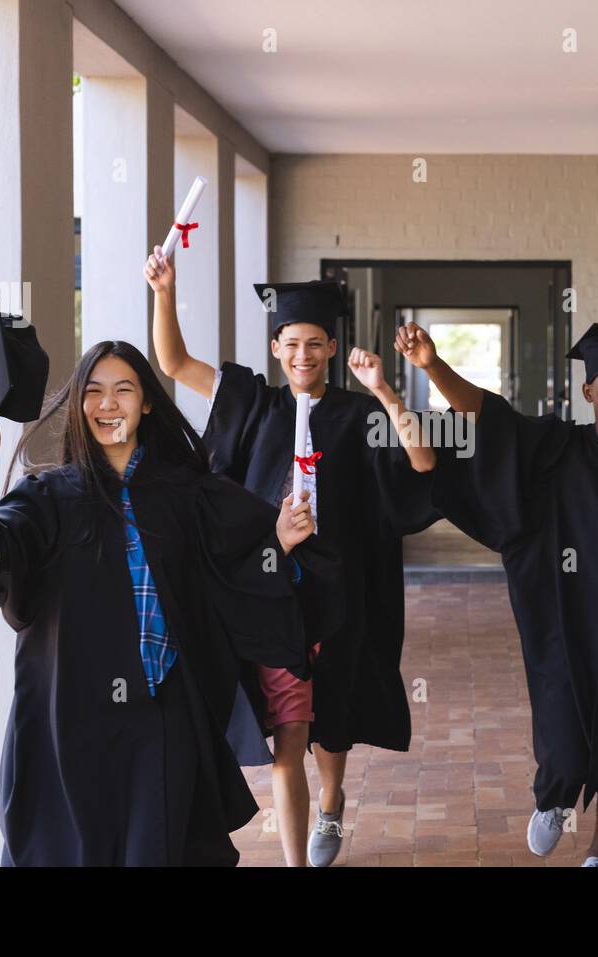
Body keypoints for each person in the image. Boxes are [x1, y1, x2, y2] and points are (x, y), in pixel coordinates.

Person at [0, 340, 338, 866]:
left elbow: (239, 569)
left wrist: (278, 541)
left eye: (124, 390)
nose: (107, 404)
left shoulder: (188, 494)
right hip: (68, 718)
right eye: (93, 392)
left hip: (163, 715)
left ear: (146, 403)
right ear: (77, 406)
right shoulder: (47, 498)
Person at [147, 253, 438, 867]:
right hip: (269, 588)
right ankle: (295, 862)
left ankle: (331, 800)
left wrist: (384, 389)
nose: (302, 354)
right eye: (291, 343)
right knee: (288, 730)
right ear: (276, 347)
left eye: (314, 343)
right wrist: (165, 291)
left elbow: (421, 462)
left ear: (332, 347)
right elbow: (172, 363)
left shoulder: (358, 414)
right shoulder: (253, 402)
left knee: (331, 718)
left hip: (340, 590)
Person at [397, 319, 598, 866]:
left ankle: (597, 854)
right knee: (566, 750)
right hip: (571, 632)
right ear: (588, 392)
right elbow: (488, 414)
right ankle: (554, 797)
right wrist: (432, 365)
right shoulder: (556, 449)